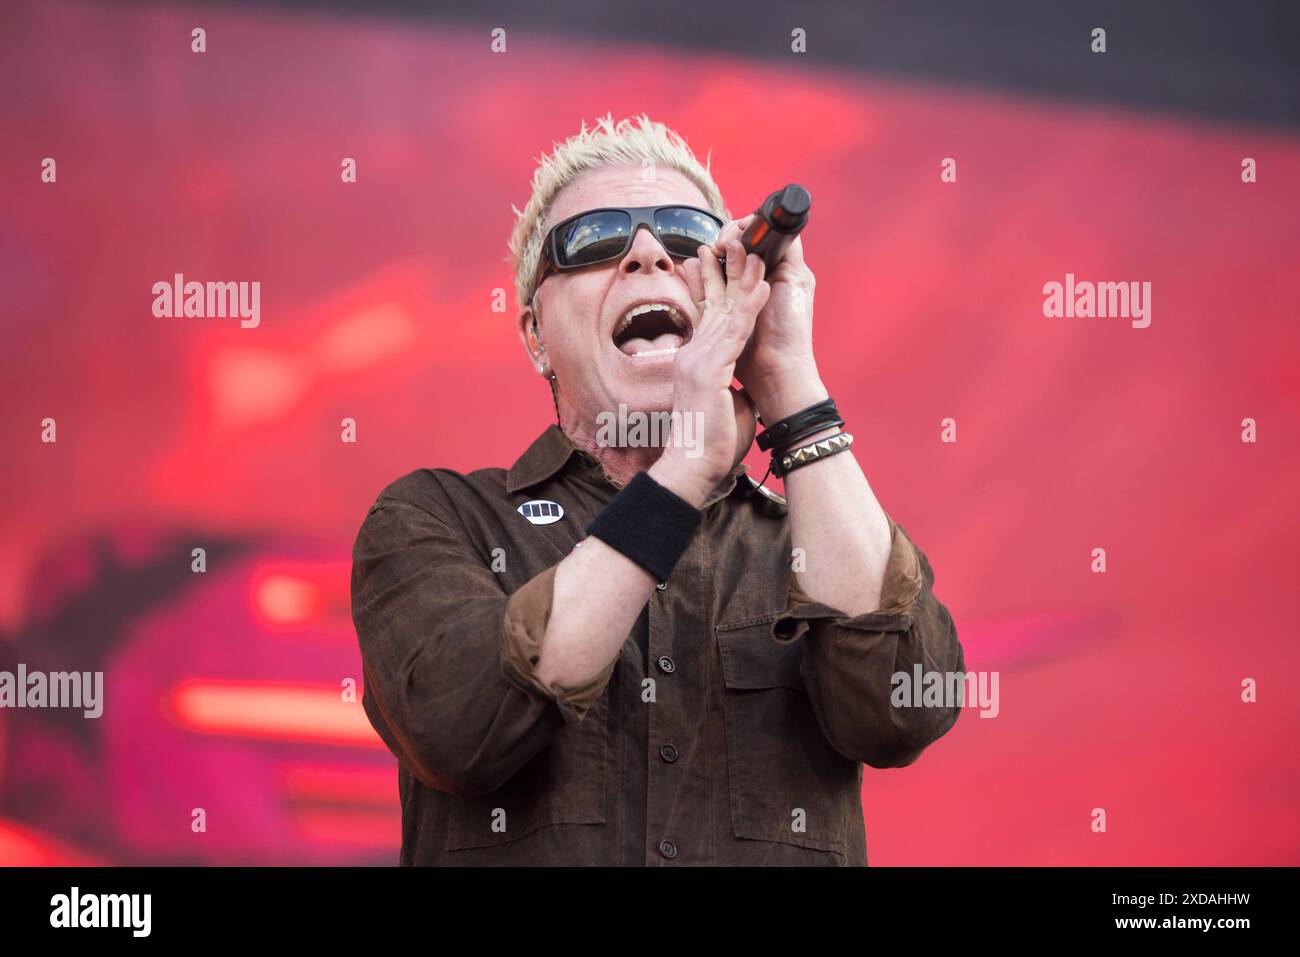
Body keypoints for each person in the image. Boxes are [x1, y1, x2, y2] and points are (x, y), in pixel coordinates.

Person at [350, 113, 964, 865]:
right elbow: (462, 728)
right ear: (535, 334)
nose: (647, 253)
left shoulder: (811, 534)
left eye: (684, 239)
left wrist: (788, 380)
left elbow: (906, 710)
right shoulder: (436, 517)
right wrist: (684, 468)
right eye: (595, 240)